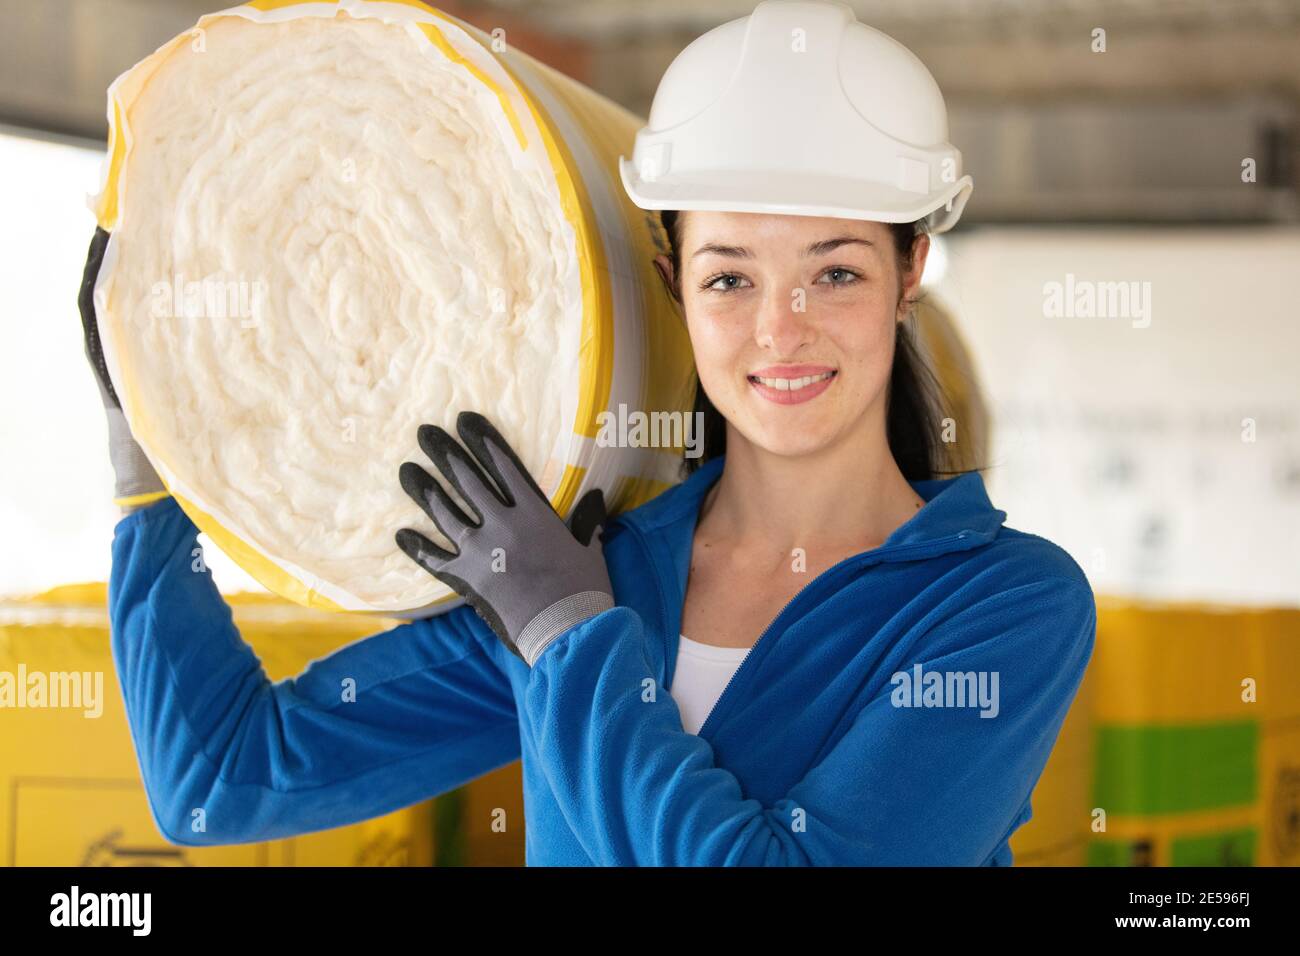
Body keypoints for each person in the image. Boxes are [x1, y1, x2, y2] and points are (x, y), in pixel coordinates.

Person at [90, 0, 1095, 865]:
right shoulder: (602, 570)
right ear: (672, 286)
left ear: (910, 270)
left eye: (834, 271)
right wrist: (151, 471)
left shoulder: (1001, 604)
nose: (778, 327)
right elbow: (219, 779)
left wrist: (566, 641)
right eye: (729, 277)